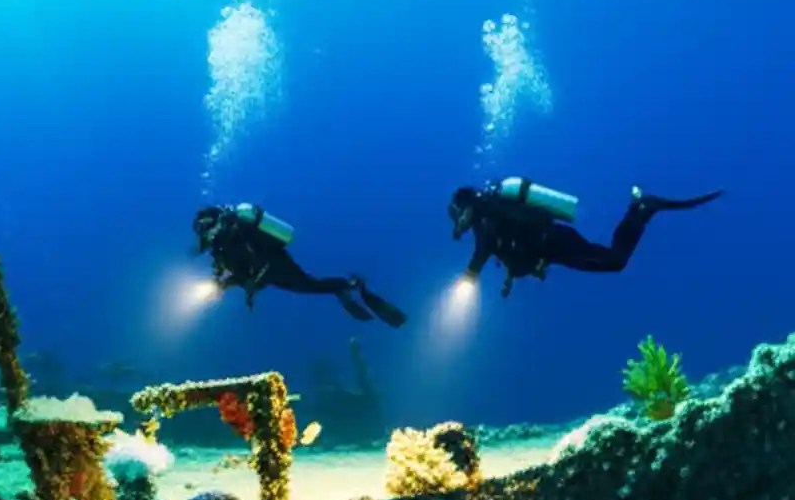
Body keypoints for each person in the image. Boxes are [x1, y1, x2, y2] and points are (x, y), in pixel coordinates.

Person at [448, 176, 723, 297]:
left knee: (615, 261)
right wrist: (510, 275)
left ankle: (641, 208)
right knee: (614, 262)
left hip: (556, 241)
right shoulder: (490, 219)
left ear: (466, 207)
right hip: (553, 247)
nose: (458, 223)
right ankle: (640, 209)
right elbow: (507, 249)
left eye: (458, 215)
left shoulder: (486, 213)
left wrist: (469, 274)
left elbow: (484, 250)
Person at [192, 203, 407, 326]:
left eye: (205, 226)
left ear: (215, 220)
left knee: (310, 285)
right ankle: (347, 286)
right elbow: (240, 272)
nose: (204, 233)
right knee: (310, 285)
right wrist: (223, 285)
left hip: (275, 266)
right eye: (200, 230)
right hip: (266, 275)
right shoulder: (220, 249)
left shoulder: (236, 232)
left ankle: (352, 285)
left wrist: (240, 283)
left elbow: (250, 262)